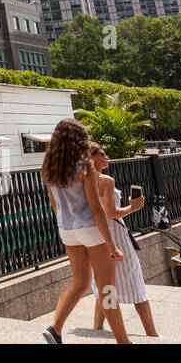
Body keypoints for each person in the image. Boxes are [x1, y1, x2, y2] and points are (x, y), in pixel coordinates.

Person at [40, 118, 130, 344]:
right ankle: (123, 341)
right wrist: (112, 245)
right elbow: (97, 210)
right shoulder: (84, 167)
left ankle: (55, 328)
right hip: (90, 229)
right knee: (107, 287)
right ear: (79, 140)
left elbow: (54, 204)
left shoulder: (49, 168)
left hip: (67, 230)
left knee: (80, 281)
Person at [87, 142, 156, 337]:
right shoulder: (106, 180)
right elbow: (111, 213)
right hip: (116, 236)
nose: (106, 156)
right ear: (92, 158)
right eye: (102, 153)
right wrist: (133, 207)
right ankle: (151, 333)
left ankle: (97, 327)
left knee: (105, 285)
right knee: (135, 283)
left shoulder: (83, 181)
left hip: (96, 238)